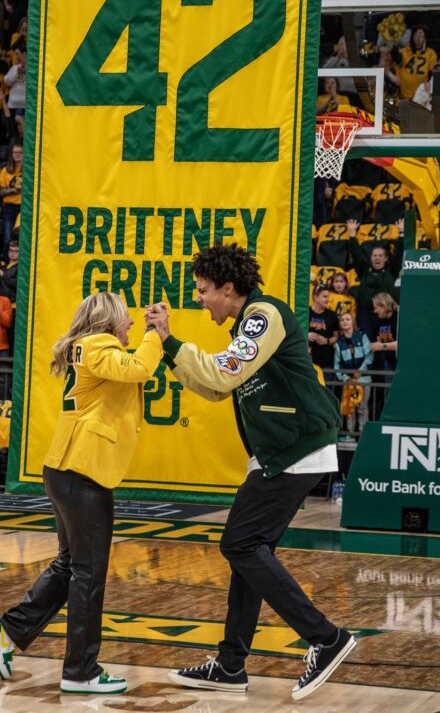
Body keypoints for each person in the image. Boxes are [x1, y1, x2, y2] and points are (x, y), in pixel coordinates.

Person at [146, 246, 355, 701]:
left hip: (296, 450)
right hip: (281, 454)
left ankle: (326, 637)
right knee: (250, 555)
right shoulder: (247, 325)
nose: (200, 300)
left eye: (203, 291)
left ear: (227, 286)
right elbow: (216, 389)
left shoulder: (263, 316)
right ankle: (229, 665)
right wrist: (168, 348)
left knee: (238, 544)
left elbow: (222, 374)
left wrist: (171, 342)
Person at [0, 291, 163, 695]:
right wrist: (155, 332)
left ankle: (10, 630)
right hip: (83, 472)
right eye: (128, 319)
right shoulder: (99, 344)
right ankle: (80, 670)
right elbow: (138, 368)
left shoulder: (88, 348)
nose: (132, 324)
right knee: (89, 573)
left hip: (67, 470)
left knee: (71, 565)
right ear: (109, 319)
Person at [345, 219, 397, 343]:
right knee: (367, 344)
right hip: (365, 314)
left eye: (380, 256)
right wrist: (352, 235)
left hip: (385, 316)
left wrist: (400, 235)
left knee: (384, 344)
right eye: (374, 255)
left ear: (385, 259)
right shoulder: (364, 270)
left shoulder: (392, 271)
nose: (377, 258)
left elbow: (399, 256)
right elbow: (356, 255)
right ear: (371, 258)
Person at [333, 311, 372, 438]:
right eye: (342, 320)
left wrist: (360, 371)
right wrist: (346, 378)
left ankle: (363, 434)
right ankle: (350, 434)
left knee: (362, 408)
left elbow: (369, 355)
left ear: (353, 322)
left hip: (364, 379)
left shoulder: (362, 337)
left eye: (348, 319)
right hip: (348, 382)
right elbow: (337, 365)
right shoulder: (339, 343)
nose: (345, 321)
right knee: (350, 409)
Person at [307, 284, 338, 377]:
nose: (328, 299)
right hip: (308, 359)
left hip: (326, 360)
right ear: (315, 297)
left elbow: (336, 337)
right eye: (325, 296)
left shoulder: (332, 315)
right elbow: (296, 332)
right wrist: (307, 335)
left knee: (325, 388)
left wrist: (327, 341)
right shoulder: (306, 313)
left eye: (328, 297)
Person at [0, 144, 23, 252]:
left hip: (24, 207)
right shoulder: (5, 170)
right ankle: (7, 262)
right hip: (10, 207)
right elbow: (0, 192)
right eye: (15, 152)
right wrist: (14, 190)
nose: (17, 155)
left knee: (23, 236)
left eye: (20, 152)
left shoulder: (30, 170)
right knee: (8, 236)